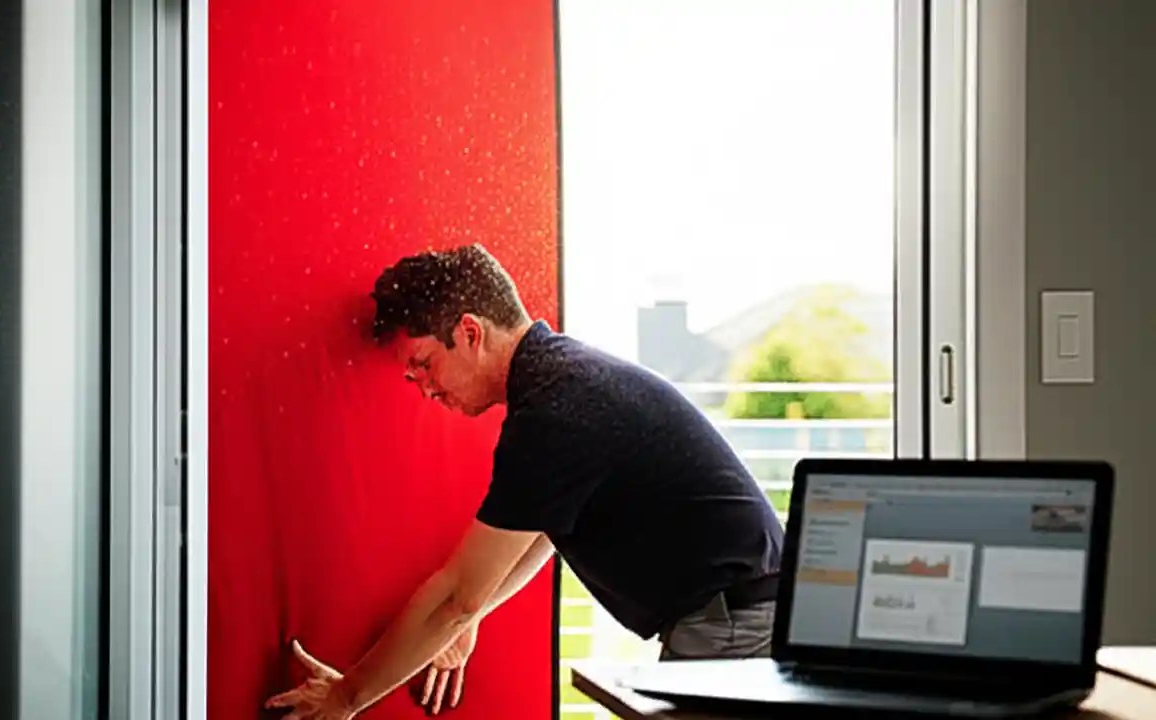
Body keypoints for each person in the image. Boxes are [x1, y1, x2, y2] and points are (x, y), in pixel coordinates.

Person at [266, 244, 784, 719]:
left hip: (736, 625)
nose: (425, 389)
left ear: (470, 332)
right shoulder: (562, 381)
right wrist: (473, 614)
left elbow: (455, 596)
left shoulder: (556, 409)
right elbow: (542, 534)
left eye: (425, 364)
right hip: (741, 616)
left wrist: (346, 697)